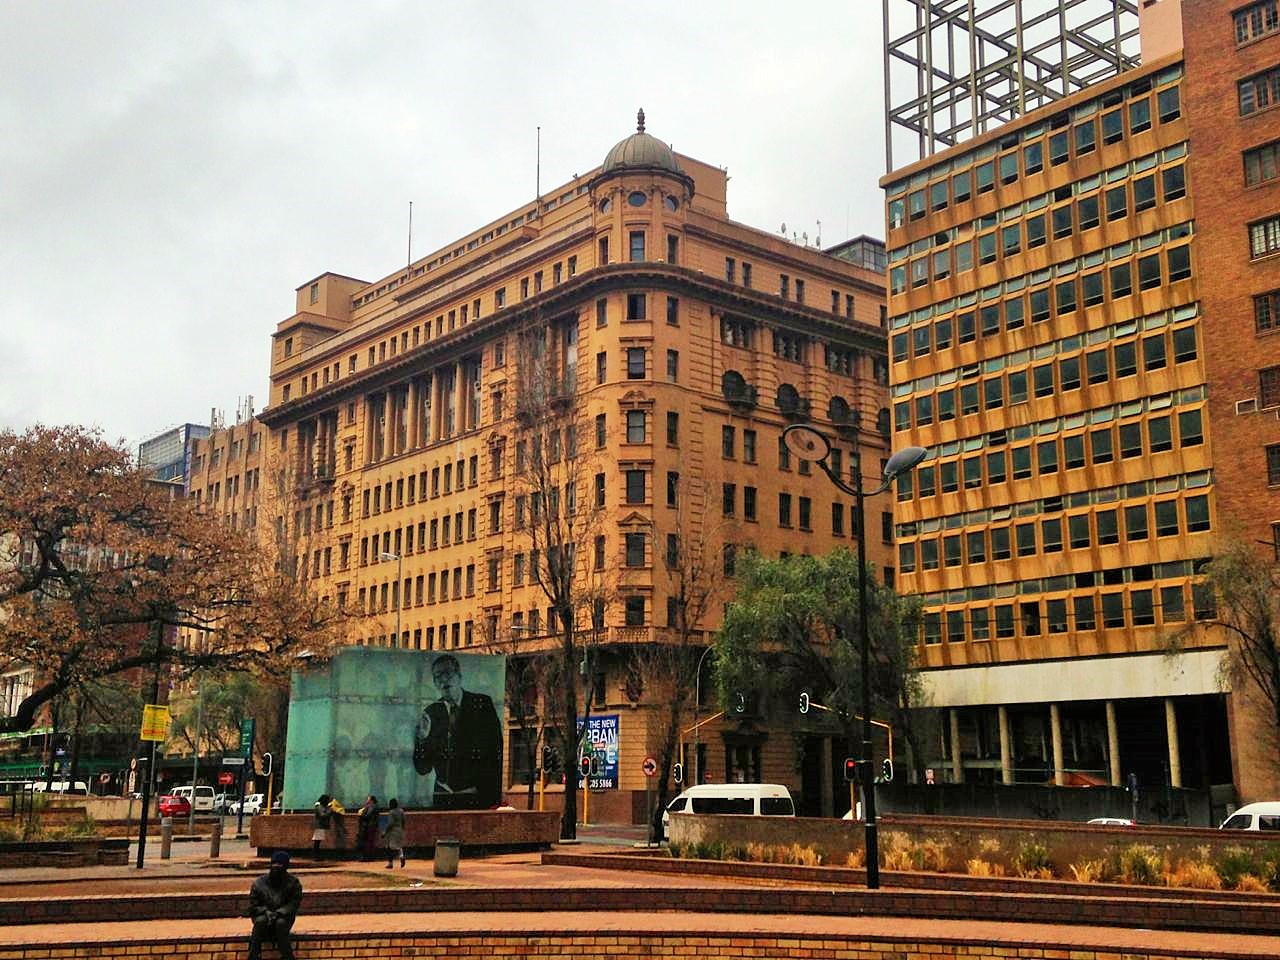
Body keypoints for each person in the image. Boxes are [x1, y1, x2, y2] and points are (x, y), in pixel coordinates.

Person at [413, 655, 503, 809]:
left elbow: (495, 753)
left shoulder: (481, 704)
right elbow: (423, 768)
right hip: (442, 799)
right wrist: (422, 739)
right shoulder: (431, 713)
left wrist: (490, 798)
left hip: (475, 798)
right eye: (438, 676)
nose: (443, 680)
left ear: (459, 676)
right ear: (435, 683)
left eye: (448, 673)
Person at [248, 851, 302, 960]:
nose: (276, 866)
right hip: (263, 916)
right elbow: (254, 905)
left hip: (284, 918)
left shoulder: (293, 883)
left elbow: (294, 904)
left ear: (285, 866)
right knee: (260, 922)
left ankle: (287, 956)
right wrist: (265, 911)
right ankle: (254, 955)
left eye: (280, 864)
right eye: (274, 864)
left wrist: (279, 912)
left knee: (280, 923)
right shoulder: (259, 883)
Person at [382, 797, 406, 868]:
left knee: (390, 848)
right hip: (400, 830)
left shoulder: (391, 812)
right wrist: (402, 829)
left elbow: (390, 823)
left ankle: (390, 863)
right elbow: (403, 821)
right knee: (399, 846)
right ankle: (401, 856)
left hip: (393, 832)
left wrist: (385, 832)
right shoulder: (401, 811)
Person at [357, 795, 379, 860]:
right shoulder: (371, 806)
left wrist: (361, 814)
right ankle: (369, 856)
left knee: (369, 841)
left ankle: (368, 856)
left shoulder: (372, 807)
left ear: (371, 800)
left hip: (370, 826)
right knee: (369, 841)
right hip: (370, 825)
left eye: (368, 799)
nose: (367, 800)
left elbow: (367, 815)